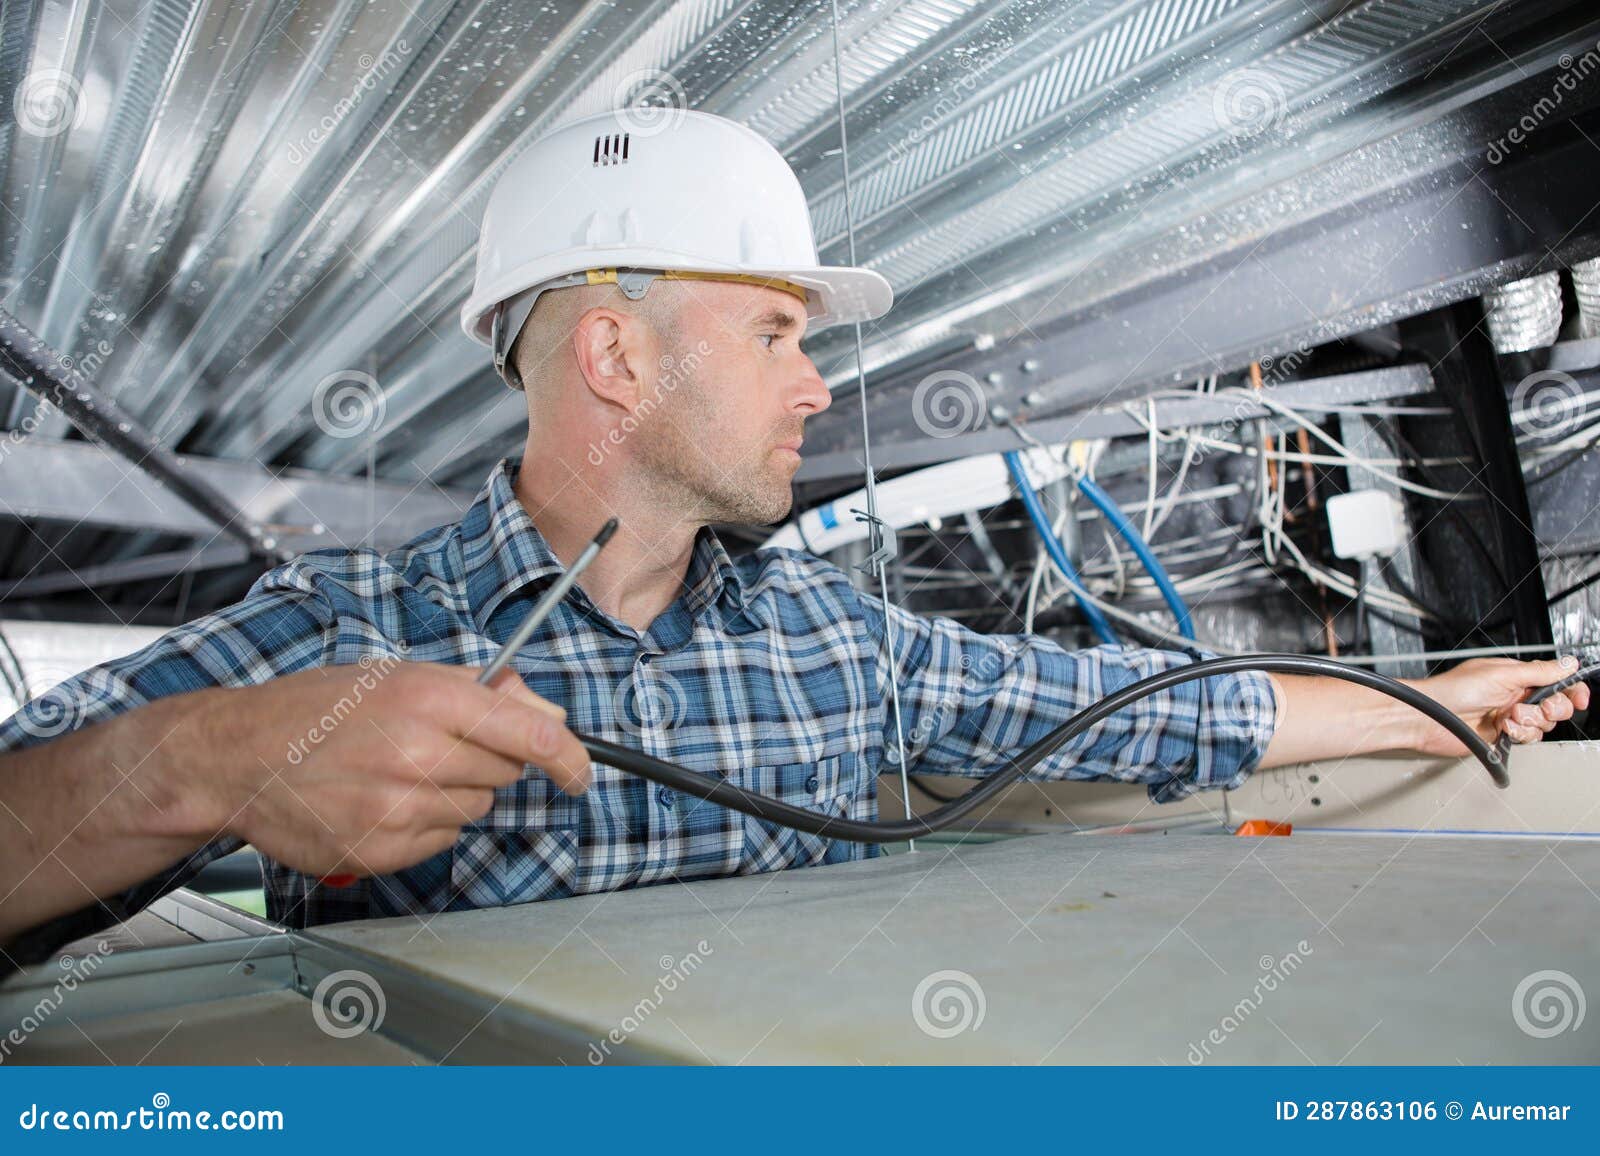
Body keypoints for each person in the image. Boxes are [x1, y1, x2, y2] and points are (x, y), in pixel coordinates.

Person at [0, 110, 1584, 968]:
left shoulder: (835, 638)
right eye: (772, 329)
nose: (818, 381)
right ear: (618, 360)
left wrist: (1444, 699)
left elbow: (1158, 713)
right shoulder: (339, 634)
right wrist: (199, 766)